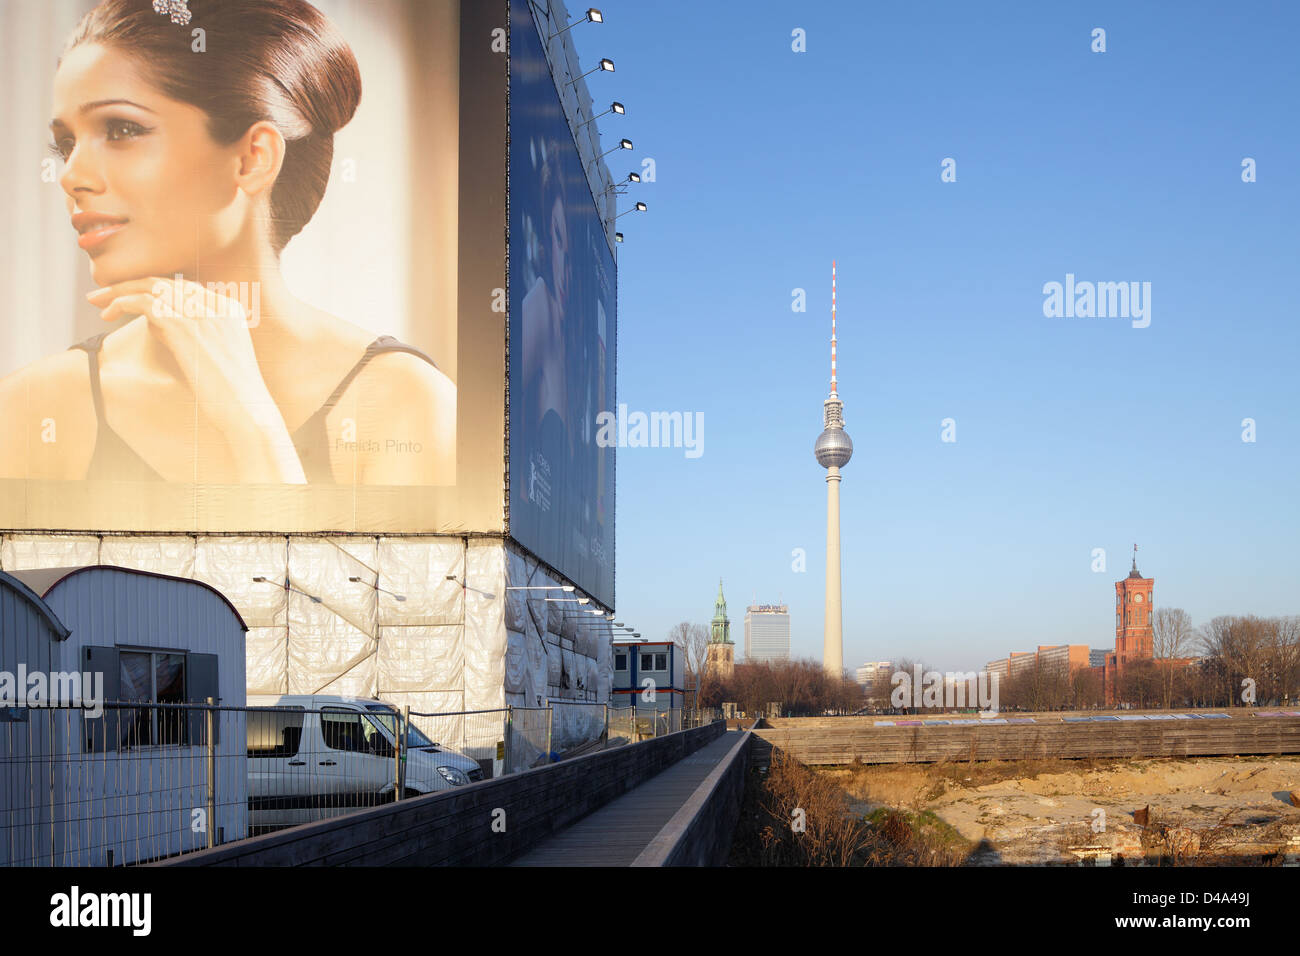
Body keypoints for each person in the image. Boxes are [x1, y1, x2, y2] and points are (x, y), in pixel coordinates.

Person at [0, 0, 454, 486]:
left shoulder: (406, 404)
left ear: (252, 158)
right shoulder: (36, 407)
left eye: (122, 130)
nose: (71, 176)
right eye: (66, 145)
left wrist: (249, 417)